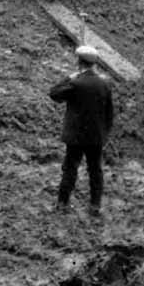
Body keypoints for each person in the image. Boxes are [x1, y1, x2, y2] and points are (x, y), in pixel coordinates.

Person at [50, 44, 114, 216]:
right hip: (96, 137)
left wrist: (69, 78)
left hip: (75, 137)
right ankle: (95, 206)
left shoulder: (75, 83)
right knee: (95, 171)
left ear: (79, 62)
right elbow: (109, 113)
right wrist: (104, 134)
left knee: (70, 169)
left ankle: (62, 204)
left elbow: (54, 94)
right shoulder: (104, 85)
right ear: (94, 64)